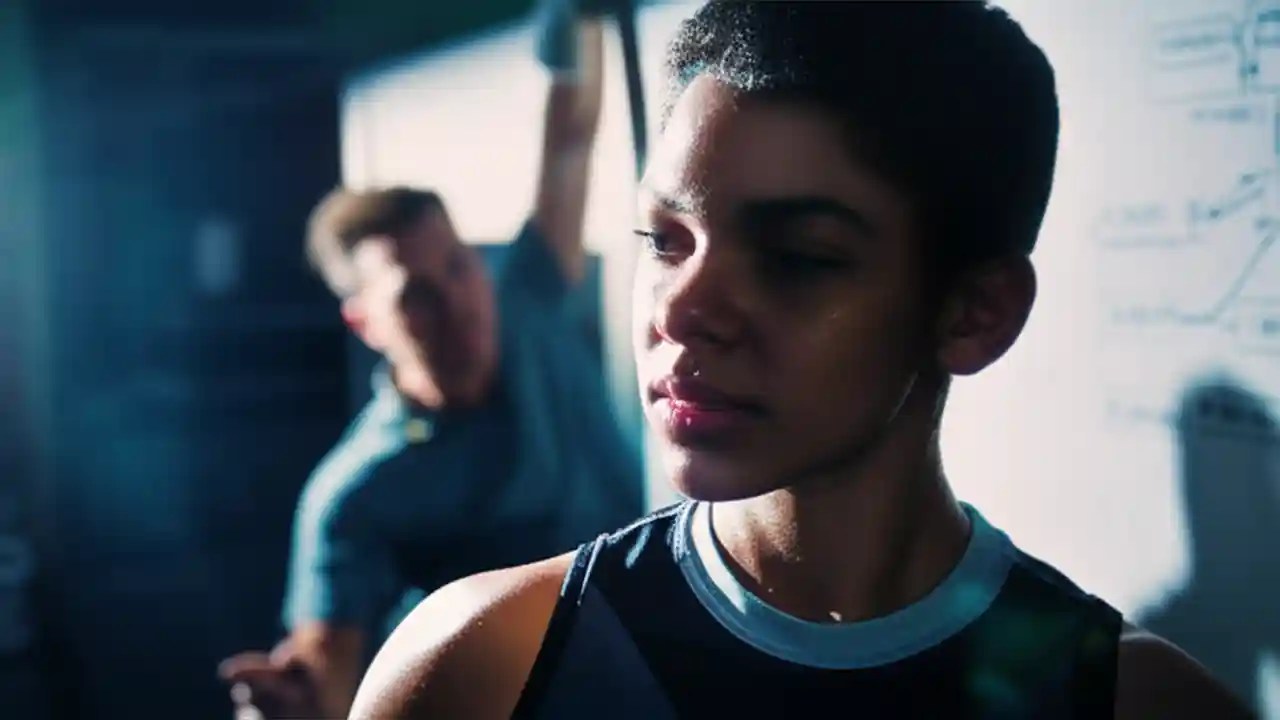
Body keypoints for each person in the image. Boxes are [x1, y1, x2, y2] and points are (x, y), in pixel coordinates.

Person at [348, 2, 1256, 718]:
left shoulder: (1133, 702)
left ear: (975, 313)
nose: (686, 311)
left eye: (797, 258)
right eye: (664, 240)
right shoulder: (477, 668)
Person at [217, 1, 642, 717]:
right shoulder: (355, 495)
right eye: (417, 294)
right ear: (364, 322)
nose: (458, 303)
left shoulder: (526, 302)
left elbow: (569, 141)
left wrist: (571, 18)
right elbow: (332, 675)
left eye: (458, 265)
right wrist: (297, 705)